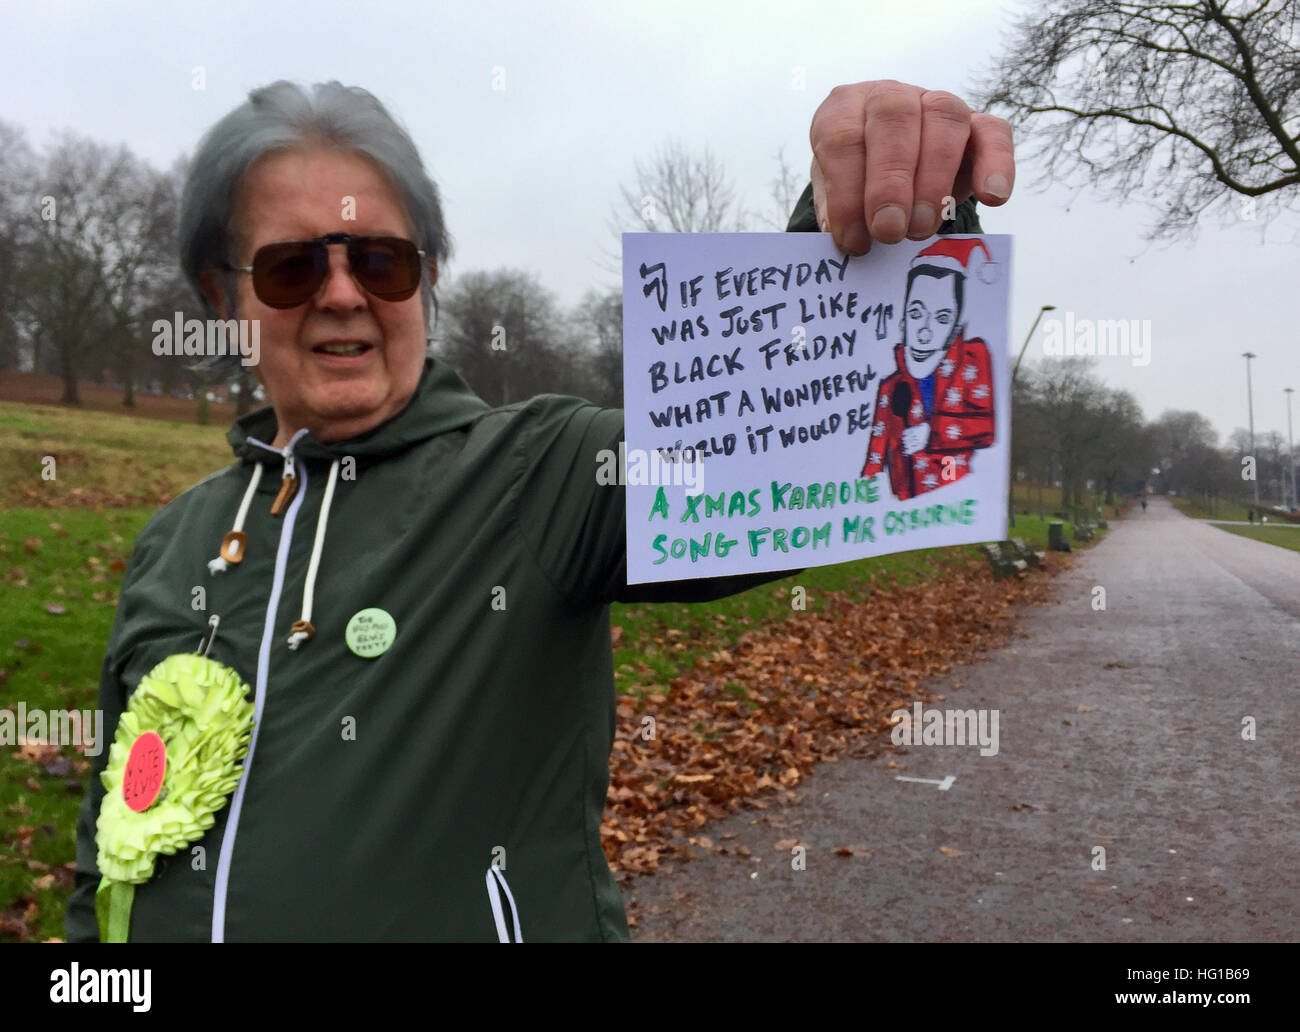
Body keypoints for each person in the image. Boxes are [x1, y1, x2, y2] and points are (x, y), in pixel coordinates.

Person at [66, 79, 1014, 942]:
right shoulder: (177, 537)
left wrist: (876, 227)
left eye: (383, 261)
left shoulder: (540, 474)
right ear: (220, 296)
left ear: (428, 278)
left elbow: (768, 448)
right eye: (292, 269)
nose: (344, 294)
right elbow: (114, 834)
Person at [861, 238, 996, 499]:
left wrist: (933, 432)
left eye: (942, 318)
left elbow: (985, 428)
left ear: (955, 327)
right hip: (903, 515)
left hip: (955, 504)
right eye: (915, 313)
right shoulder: (890, 387)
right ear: (903, 321)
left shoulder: (972, 361)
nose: (924, 331)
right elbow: (876, 454)